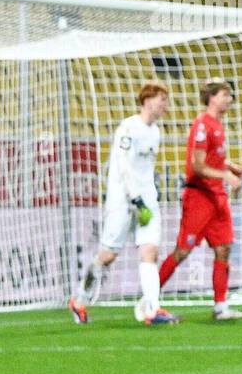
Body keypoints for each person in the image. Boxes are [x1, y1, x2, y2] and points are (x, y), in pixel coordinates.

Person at [68, 82, 179, 326]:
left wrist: (147, 198)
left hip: (146, 200)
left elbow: (145, 169)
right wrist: (134, 198)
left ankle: (152, 308)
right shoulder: (129, 127)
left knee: (149, 251)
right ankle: (79, 299)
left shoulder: (156, 131)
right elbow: (123, 165)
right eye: (162, 99)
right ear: (148, 100)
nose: (165, 105)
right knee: (107, 256)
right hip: (123, 200)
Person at [157, 79, 242, 321]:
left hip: (217, 196)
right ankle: (151, 299)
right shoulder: (202, 125)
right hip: (199, 197)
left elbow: (211, 159)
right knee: (183, 251)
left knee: (223, 248)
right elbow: (197, 166)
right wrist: (225, 174)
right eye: (225, 95)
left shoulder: (217, 125)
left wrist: (229, 166)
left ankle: (220, 307)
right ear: (212, 97)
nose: (229, 99)